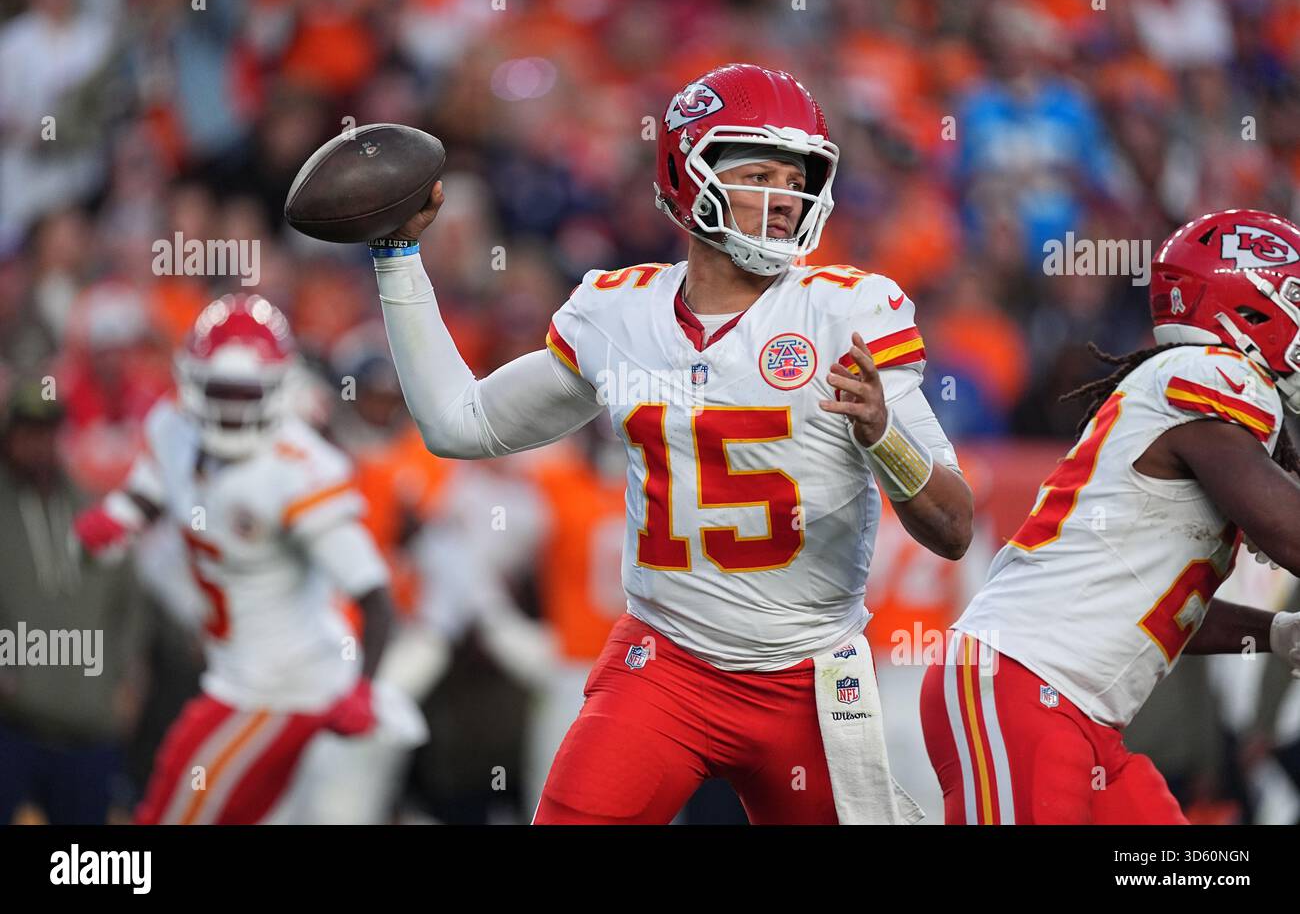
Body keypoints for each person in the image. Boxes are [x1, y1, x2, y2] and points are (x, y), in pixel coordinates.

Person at [373, 63, 973, 824]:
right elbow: (461, 424)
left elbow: (955, 529)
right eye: (760, 173)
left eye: (799, 178)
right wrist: (397, 258)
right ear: (689, 179)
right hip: (666, 664)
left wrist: (886, 436)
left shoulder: (847, 313)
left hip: (813, 674)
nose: (786, 200)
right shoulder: (617, 315)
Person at [920, 208, 1300, 824]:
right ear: (1247, 308)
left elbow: (1157, 612)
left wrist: (1273, 631)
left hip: (1079, 717)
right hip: (1022, 685)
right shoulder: (1211, 373)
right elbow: (1290, 533)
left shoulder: (1184, 393)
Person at [74, 294, 398, 824]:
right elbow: (157, 484)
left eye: (246, 392)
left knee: (165, 816)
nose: (230, 407)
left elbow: (378, 601)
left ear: (279, 388)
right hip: (234, 677)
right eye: (219, 391)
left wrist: (366, 690)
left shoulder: (299, 469)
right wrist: (121, 515)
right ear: (192, 381)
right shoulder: (174, 427)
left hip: (287, 687)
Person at [0, 378, 148, 823]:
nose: (38, 444)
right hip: (13, 723)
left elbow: (131, 603)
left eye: (47, 432)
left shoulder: (93, 510)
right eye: (27, 431)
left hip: (89, 724)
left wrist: (129, 675)